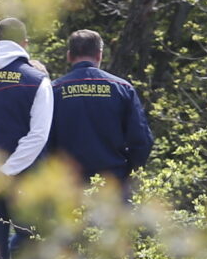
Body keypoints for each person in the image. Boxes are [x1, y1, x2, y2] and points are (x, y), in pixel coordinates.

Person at [0, 22, 54, 259]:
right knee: (34, 254)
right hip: (27, 180)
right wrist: (9, 170)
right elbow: (38, 136)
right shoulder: (37, 80)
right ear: (24, 43)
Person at [46, 29, 154, 191]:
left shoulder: (53, 90)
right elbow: (142, 141)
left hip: (67, 187)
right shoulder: (122, 88)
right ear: (99, 55)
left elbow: (42, 140)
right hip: (111, 185)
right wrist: (128, 176)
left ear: (69, 56)